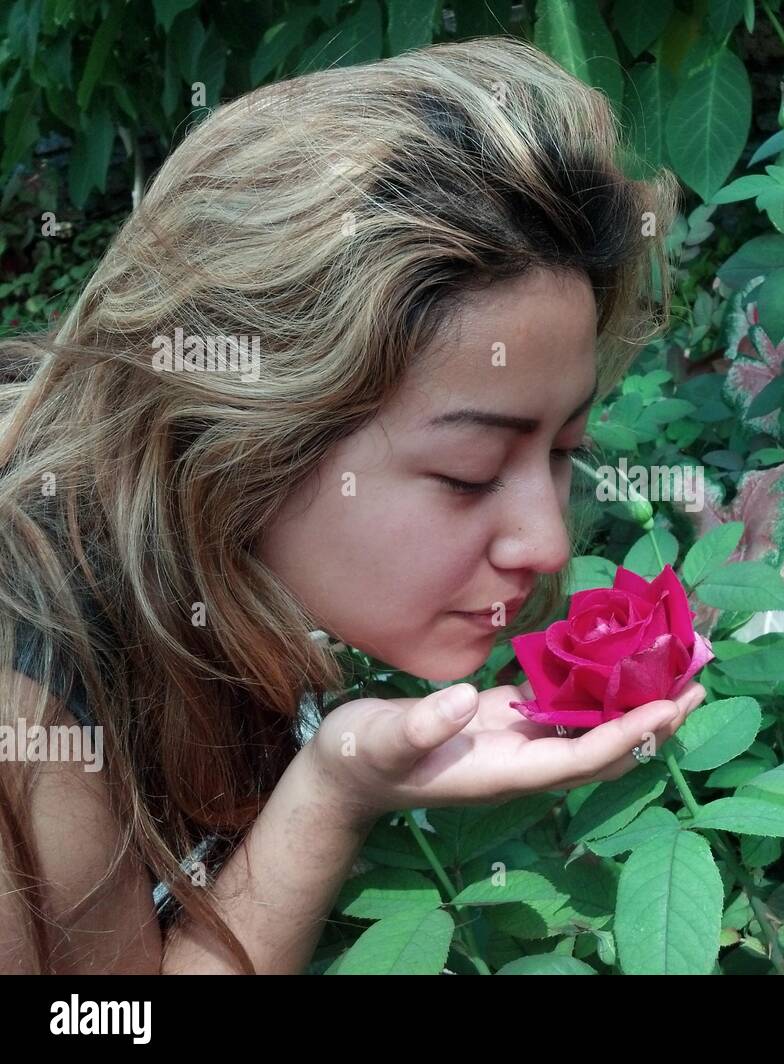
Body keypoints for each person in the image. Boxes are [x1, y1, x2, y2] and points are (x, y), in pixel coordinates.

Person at [0, 37, 703, 975]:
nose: (547, 541)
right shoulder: (27, 707)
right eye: (468, 470)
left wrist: (336, 785)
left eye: (566, 450)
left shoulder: (202, 590)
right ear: (241, 440)